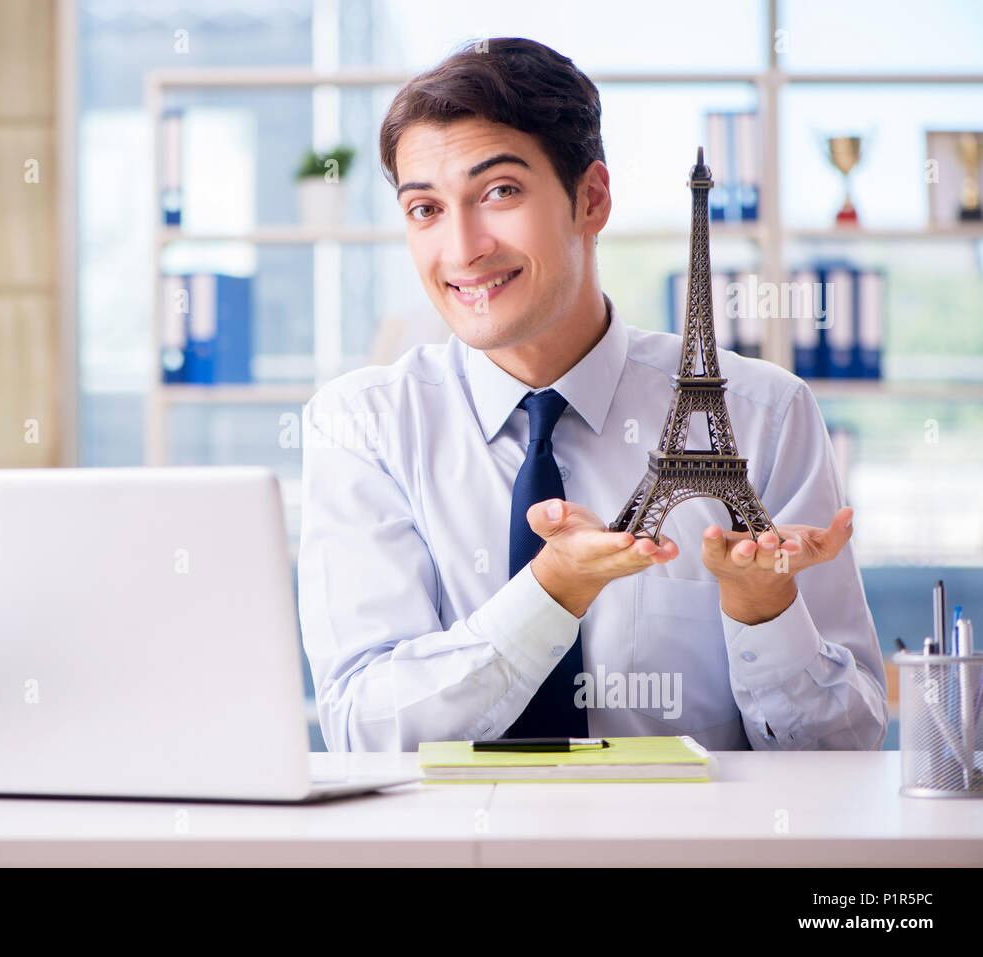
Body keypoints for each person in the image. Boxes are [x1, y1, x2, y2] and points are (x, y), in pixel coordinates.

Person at [297, 37, 887, 752]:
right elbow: (364, 728)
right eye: (425, 209)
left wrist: (765, 609)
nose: (462, 248)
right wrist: (548, 594)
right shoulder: (363, 427)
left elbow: (842, 753)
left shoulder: (763, 415)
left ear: (592, 199)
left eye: (499, 193)